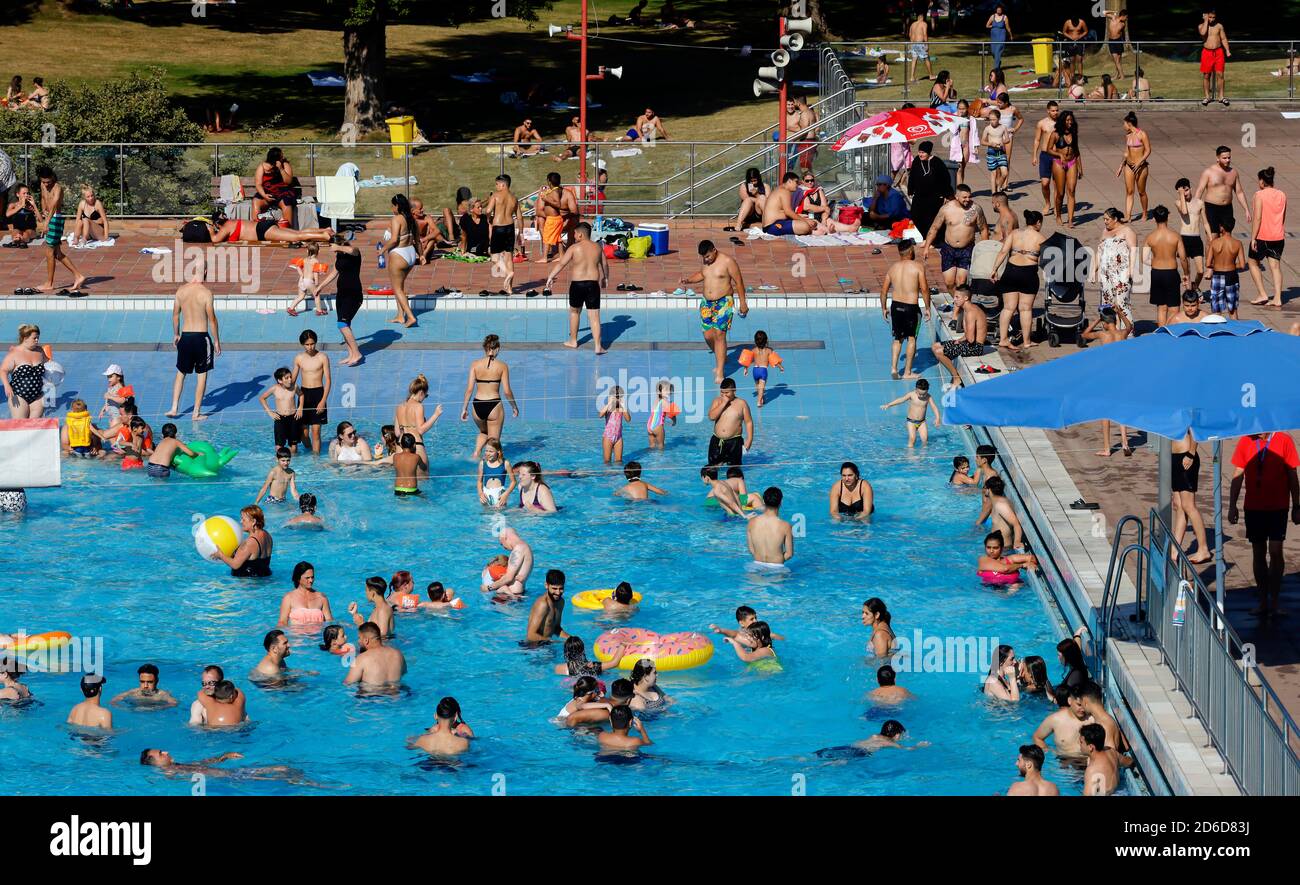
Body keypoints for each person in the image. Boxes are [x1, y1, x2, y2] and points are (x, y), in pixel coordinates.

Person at [1229, 431, 1300, 617]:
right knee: (1258, 552)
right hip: (1254, 507)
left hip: (1278, 507)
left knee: (1276, 552)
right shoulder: (1245, 440)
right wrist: (1232, 506)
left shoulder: (1284, 440)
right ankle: (1262, 601)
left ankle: (1274, 601)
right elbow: (1238, 474)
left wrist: (1297, 505)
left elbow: (1292, 474)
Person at [684, 240, 748, 384]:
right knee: (707, 335)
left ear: (714, 250)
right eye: (703, 258)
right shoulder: (706, 263)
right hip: (707, 303)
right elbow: (702, 274)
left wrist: (743, 302)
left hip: (724, 302)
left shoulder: (728, 262)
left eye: (707, 256)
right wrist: (688, 280)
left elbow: (739, 282)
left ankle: (720, 371)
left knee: (719, 334)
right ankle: (721, 356)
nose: (705, 260)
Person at [546, 222, 609, 353]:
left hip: (577, 285)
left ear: (580, 234)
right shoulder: (598, 247)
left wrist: (550, 277)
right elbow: (605, 264)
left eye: (574, 234)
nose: (574, 236)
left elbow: (561, 264)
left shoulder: (574, 248)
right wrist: (605, 278)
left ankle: (573, 340)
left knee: (575, 312)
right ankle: (598, 346)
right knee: (594, 316)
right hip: (593, 284)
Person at [167, 276, 220, 420]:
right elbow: (212, 320)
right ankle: (196, 413)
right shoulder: (206, 293)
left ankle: (173, 408)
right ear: (205, 272)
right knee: (202, 375)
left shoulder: (181, 291)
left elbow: (175, 316)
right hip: (201, 338)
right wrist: (216, 341)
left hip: (185, 337)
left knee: (180, 373)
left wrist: (176, 334)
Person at [991, 210, 1045, 350]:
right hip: (1028, 273)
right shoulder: (1040, 238)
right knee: (1025, 309)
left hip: (1011, 271)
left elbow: (1003, 252)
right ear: (1038, 223)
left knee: (1008, 307)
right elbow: (1046, 260)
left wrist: (994, 269)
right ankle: (1026, 341)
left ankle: (1003, 339)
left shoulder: (1014, 233)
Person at [459, 334, 519, 460]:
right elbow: (507, 391)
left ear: (485, 348)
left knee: (483, 432)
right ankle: (490, 465)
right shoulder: (502, 366)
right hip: (494, 405)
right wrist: (514, 406)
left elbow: (469, 389)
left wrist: (464, 409)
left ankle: (476, 453)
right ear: (497, 348)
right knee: (494, 443)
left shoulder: (475, 364)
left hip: (477, 405)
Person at [922, 184, 988, 292]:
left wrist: (984, 249)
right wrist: (926, 247)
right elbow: (934, 228)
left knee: (961, 282)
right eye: (964, 197)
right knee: (949, 283)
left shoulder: (975, 209)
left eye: (969, 197)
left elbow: (984, 229)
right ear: (957, 197)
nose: (968, 200)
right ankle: (958, 302)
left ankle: (960, 305)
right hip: (949, 248)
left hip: (966, 249)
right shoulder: (946, 209)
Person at [310, 235, 365, 366]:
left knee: (342, 324)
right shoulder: (339, 256)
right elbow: (334, 273)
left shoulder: (354, 253)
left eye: (331, 246)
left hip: (353, 295)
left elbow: (354, 250)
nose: (331, 249)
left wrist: (339, 246)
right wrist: (320, 287)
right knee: (346, 325)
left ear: (338, 244)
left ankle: (357, 353)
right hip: (342, 295)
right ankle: (351, 354)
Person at [880, 242, 931, 379]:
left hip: (895, 306)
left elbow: (883, 291)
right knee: (911, 338)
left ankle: (894, 369)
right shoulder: (918, 267)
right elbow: (925, 289)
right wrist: (928, 308)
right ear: (910, 252)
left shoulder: (892, 268)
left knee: (897, 339)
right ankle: (908, 372)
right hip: (910, 307)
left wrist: (884, 308)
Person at [34, 166, 85, 294]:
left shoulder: (58, 188)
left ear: (52, 177)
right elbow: (43, 198)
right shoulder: (42, 184)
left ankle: (49, 283)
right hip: (49, 218)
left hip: (55, 220)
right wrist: (42, 210)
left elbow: (54, 206)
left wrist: (47, 222)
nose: (46, 184)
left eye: (48, 182)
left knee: (49, 252)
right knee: (57, 254)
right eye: (43, 182)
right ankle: (78, 276)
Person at [1143, 206, 1190, 328]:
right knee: (1174, 308)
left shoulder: (1150, 237)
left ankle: (1161, 334)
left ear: (1154, 219)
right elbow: (1183, 258)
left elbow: (1143, 258)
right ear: (1167, 217)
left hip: (1157, 273)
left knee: (1161, 308)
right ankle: (1171, 332)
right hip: (1171, 273)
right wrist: (1186, 274)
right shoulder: (1175, 236)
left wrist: (1155, 262)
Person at [1247, 167, 1287, 308]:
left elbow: (1257, 218)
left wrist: (1253, 238)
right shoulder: (1282, 194)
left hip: (1263, 236)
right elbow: (1282, 216)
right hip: (1278, 236)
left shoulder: (1259, 195)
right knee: (1275, 267)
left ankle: (1262, 293)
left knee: (1252, 262)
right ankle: (1277, 298)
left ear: (1262, 181)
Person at [932, 284, 986, 388]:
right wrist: (959, 340)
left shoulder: (970, 312)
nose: (954, 300)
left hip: (976, 348)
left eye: (957, 297)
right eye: (954, 296)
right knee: (935, 346)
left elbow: (970, 339)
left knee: (939, 352)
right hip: (970, 343)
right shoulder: (967, 309)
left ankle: (956, 378)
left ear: (966, 298)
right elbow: (968, 336)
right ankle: (955, 375)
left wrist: (961, 340)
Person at [1194, 146, 1251, 241]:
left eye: (1229, 157)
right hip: (1212, 208)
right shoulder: (1209, 172)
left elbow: (1239, 192)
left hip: (1227, 208)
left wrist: (1246, 209)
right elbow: (1200, 190)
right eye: (1224, 158)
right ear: (1217, 158)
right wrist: (1194, 208)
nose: (1227, 160)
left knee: (1227, 237)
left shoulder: (1233, 173)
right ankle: (1210, 256)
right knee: (1212, 237)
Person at [290, 330, 331, 454]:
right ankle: (308, 449)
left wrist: (323, 401)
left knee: (316, 432)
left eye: (312, 344)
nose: (310, 347)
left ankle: (315, 460)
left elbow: (328, 380)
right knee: (303, 433)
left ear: (315, 342)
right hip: (303, 395)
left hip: (318, 393)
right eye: (307, 345)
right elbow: (292, 380)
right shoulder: (299, 358)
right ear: (303, 344)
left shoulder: (322, 357)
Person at [382, 194, 420, 327]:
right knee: (400, 286)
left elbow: (393, 240)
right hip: (410, 253)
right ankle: (400, 316)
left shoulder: (396, 219)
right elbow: (418, 240)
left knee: (397, 288)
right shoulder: (411, 219)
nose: (392, 208)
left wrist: (382, 250)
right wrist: (421, 255)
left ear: (397, 206)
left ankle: (410, 316)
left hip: (399, 254)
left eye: (393, 205)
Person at [1095, 208, 1137, 327]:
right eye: (1104, 219)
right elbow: (1099, 252)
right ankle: (1111, 331)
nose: (1105, 222)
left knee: (1121, 304)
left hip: (1121, 274)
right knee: (1107, 304)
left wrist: (1131, 270)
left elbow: (1133, 250)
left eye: (1107, 219)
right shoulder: (1104, 232)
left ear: (1115, 219)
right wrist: (1094, 270)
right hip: (1106, 275)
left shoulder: (1127, 231)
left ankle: (1127, 332)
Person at [906, 141, 953, 238]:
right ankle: (924, 236)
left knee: (932, 218)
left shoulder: (937, 162)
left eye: (923, 152)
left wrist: (946, 194)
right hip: (919, 195)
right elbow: (912, 176)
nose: (920, 154)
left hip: (934, 197)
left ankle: (933, 239)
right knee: (916, 216)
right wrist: (910, 189)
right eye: (919, 152)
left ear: (928, 152)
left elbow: (945, 179)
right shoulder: (916, 161)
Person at [394, 373, 443, 464]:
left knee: (403, 475)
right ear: (421, 393)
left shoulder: (399, 406)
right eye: (426, 395)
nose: (424, 398)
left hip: (401, 446)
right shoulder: (418, 406)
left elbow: (397, 432)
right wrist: (436, 415)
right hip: (416, 445)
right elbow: (420, 430)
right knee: (423, 477)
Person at [2, 324, 47, 419]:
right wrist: (7, 386)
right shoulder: (14, 353)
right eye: (34, 338)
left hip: (37, 396)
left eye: (38, 338)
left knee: (35, 426)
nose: (37, 340)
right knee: (20, 424)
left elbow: (49, 365)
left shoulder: (40, 351)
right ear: (25, 338)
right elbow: (3, 370)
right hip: (16, 396)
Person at [485, 174, 523, 286]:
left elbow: (488, 210)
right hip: (510, 227)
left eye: (497, 184)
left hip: (498, 227)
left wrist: (488, 218)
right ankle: (509, 288)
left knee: (494, 256)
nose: (496, 186)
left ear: (503, 184)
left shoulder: (495, 196)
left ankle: (508, 273)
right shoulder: (514, 198)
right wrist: (521, 234)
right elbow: (520, 217)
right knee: (509, 257)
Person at [707, 378, 754, 467]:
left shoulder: (742, 404)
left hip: (734, 442)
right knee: (713, 468)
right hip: (717, 441)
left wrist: (749, 440)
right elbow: (711, 417)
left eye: (727, 393)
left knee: (734, 470)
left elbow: (748, 422)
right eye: (722, 392)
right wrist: (723, 403)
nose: (724, 395)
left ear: (734, 391)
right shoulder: (717, 401)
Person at [343, 622, 407, 687]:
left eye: (359, 638)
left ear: (366, 640)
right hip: (398, 694)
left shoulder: (361, 659)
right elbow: (404, 673)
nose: (358, 641)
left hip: (372, 695)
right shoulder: (398, 654)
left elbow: (348, 683)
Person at [217, 505, 273, 578]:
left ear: (253, 521)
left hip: (247, 584)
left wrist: (220, 555)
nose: (241, 522)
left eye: (243, 519)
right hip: (264, 577)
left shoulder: (249, 543)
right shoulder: (267, 535)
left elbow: (235, 565)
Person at [882, 378, 941, 447]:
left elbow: (934, 407)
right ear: (916, 389)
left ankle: (924, 454)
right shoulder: (911, 395)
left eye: (924, 394)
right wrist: (889, 404)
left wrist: (937, 418)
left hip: (922, 422)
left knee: (925, 440)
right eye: (920, 394)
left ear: (927, 391)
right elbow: (901, 399)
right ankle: (910, 454)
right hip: (911, 422)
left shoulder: (928, 397)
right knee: (912, 439)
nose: (922, 396)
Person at [1207, 216, 1245, 319]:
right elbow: (1242, 265)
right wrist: (1231, 264)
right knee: (1232, 309)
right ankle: (1236, 332)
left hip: (1218, 275)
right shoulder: (1237, 243)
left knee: (1216, 309)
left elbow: (1208, 263)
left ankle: (1216, 332)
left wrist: (1218, 264)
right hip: (1231, 275)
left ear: (1222, 227)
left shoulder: (1215, 243)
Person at [1049, 111, 1082, 228]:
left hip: (1072, 163)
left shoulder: (1074, 134)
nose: (1069, 122)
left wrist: (1080, 168)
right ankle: (1058, 215)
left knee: (1072, 190)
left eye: (1071, 120)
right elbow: (1049, 149)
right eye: (1067, 120)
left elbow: (1077, 152)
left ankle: (1070, 220)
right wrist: (1059, 155)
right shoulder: (1056, 134)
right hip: (1059, 164)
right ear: (1062, 121)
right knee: (1060, 193)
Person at [747, 487, 793, 568]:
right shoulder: (786, 526)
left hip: (756, 566)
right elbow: (789, 554)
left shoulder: (751, 522)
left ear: (763, 501)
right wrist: (776, 562)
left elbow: (751, 550)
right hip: (776, 568)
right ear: (780, 502)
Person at [1175, 177, 1206, 293]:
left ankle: (1195, 287)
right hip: (1184, 238)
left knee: (1200, 271)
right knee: (1187, 272)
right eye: (1183, 191)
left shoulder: (1199, 203)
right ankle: (1190, 293)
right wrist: (1181, 195)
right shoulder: (1178, 202)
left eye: (1187, 190)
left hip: (1196, 238)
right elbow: (1184, 211)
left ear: (1190, 188)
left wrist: (1210, 237)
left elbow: (1205, 222)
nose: (1186, 193)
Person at [1118, 112, 1151, 222]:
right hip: (1129, 166)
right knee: (1129, 191)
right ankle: (1128, 216)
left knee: (1141, 191)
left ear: (1129, 123)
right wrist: (1121, 165)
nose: (1123, 126)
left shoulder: (1142, 134)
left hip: (1141, 166)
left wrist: (1140, 162)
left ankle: (1145, 213)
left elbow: (1148, 150)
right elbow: (1127, 152)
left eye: (1124, 123)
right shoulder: (1128, 136)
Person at [259, 369, 301, 455]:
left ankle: (296, 463)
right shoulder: (274, 389)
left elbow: (301, 395)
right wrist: (270, 412)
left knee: (294, 445)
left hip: (293, 418)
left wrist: (300, 408)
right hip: (280, 418)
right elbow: (262, 398)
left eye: (290, 377)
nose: (290, 379)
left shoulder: (295, 387)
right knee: (279, 445)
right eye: (287, 378)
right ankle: (279, 462)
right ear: (280, 380)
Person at [253, 148, 298, 226]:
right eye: (281, 155)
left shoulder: (285, 165)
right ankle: (257, 226)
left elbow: (288, 181)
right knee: (256, 201)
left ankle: (287, 229)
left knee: (286, 202)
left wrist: (281, 169)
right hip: (267, 192)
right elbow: (258, 184)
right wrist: (264, 195)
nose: (283, 157)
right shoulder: (262, 166)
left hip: (283, 192)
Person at [1030, 102, 1061, 215]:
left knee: (1057, 183)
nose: (1055, 112)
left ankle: (1057, 205)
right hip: (1045, 155)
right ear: (1048, 111)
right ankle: (1047, 203)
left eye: (1057, 110)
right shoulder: (1042, 123)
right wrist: (1034, 155)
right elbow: (1037, 140)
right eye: (1053, 110)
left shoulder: (1062, 123)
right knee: (1045, 183)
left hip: (1057, 155)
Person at [978, 475, 1024, 549]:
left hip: (1004, 549)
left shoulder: (1000, 505)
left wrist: (1017, 541)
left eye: (985, 487)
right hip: (997, 548)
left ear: (988, 490)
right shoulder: (995, 502)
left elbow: (1016, 524)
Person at [524, 569, 569, 644]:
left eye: (561, 589)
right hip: (532, 648)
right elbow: (530, 635)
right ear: (546, 585)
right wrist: (553, 642)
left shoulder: (561, 602)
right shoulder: (543, 604)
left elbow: (556, 628)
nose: (558, 593)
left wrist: (570, 638)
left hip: (547, 645)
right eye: (554, 588)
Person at [484, 527, 533, 596]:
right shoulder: (525, 547)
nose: (504, 547)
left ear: (505, 538)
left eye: (502, 543)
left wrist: (488, 588)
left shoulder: (518, 549)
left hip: (510, 598)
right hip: (517, 594)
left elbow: (508, 578)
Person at [1198, 9, 1231, 106]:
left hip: (1218, 52)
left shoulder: (1219, 26)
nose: (1212, 19)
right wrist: (1205, 21)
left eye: (1213, 17)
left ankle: (1221, 97)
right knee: (1207, 75)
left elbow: (1223, 38)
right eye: (1210, 17)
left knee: (1220, 75)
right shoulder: (1201, 26)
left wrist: (1227, 50)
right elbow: (1203, 33)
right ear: (1206, 16)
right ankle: (1207, 97)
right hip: (1207, 53)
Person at [110, 664, 177, 709]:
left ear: (157, 681)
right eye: (142, 682)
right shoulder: (134, 692)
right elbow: (113, 701)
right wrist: (125, 709)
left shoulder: (162, 694)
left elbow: (174, 703)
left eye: (150, 682)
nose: (145, 686)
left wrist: (156, 709)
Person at [1080, 723, 1120, 795]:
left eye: (1081, 742)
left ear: (1090, 747)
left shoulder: (1092, 771)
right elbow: (1129, 761)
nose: (1079, 744)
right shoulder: (1111, 752)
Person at [948, 100, 980, 187]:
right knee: (959, 168)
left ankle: (960, 187)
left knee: (962, 168)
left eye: (963, 108)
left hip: (966, 146)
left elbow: (974, 133)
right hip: (956, 145)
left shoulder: (971, 119)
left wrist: (976, 146)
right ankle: (959, 189)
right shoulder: (953, 117)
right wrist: (957, 119)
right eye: (959, 108)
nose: (961, 111)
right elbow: (952, 130)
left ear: (967, 108)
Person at [726, 168, 768, 232]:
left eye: (755, 180)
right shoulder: (744, 186)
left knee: (762, 197)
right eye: (751, 181)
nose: (753, 183)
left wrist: (757, 194)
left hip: (760, 212)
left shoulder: (765, 186)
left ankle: (768, 223)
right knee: (748, 200)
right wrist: (758, 199)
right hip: (749, 213)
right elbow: (746, 200)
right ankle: (738, 225)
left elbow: (768, 203)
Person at [478, 437, 515, 508]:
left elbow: (513, 482)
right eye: (486, 451)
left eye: (491, 451)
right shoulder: (483, 463)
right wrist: (481, 493)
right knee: (486, 516)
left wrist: (506, 494)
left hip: (500, 495)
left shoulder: (505, 463)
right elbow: (479, 481)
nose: (488, 454)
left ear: (498, 451)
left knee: (499, 516)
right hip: (486, 494)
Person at [392, 432, 427, 497]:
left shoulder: (395, 456)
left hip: (398, 488)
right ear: (414, 445)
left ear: (401, 445)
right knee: (425, 498)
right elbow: (424, 468)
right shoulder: (416, 457)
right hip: (411, 489)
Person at [907, 9, 933, 83]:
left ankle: (912, 77)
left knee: (914, 59)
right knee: (926, 58)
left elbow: (910, 35)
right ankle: (931, 75)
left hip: (913, 44)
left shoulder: (912, 24)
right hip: (919, 43)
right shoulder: (924, 24)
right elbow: (925, 34)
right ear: (922, 17)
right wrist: (926, 44)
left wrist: (911, 43)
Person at [986, 5, 1012, 71]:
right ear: (996, 10)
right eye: (998, 10)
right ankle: (998, 62)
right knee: (993, 52)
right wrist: (993, 26)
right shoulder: (992, 16)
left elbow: (1008, 27)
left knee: (997, 51)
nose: (999, 11)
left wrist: (1010, 35)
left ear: (1002, 10)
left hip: (1001, 36)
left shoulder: (1005, 17)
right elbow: (987, 25)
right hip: (994, 37)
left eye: (1000, 10)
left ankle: (996, 68)